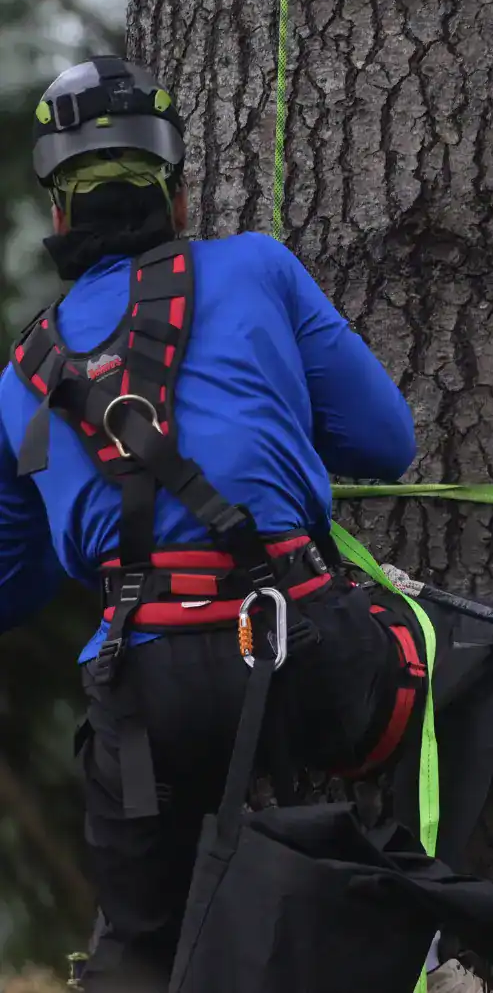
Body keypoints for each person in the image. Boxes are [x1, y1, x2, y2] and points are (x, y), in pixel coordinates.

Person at [0, 56, 431, 992]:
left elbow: (10, 584)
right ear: (179, 196)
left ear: (60, 213)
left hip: (141, 691)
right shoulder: (257, 268)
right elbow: (386, 442)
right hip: (303, 656)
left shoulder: (23, 376)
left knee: (140, 939)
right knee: (442, 664)